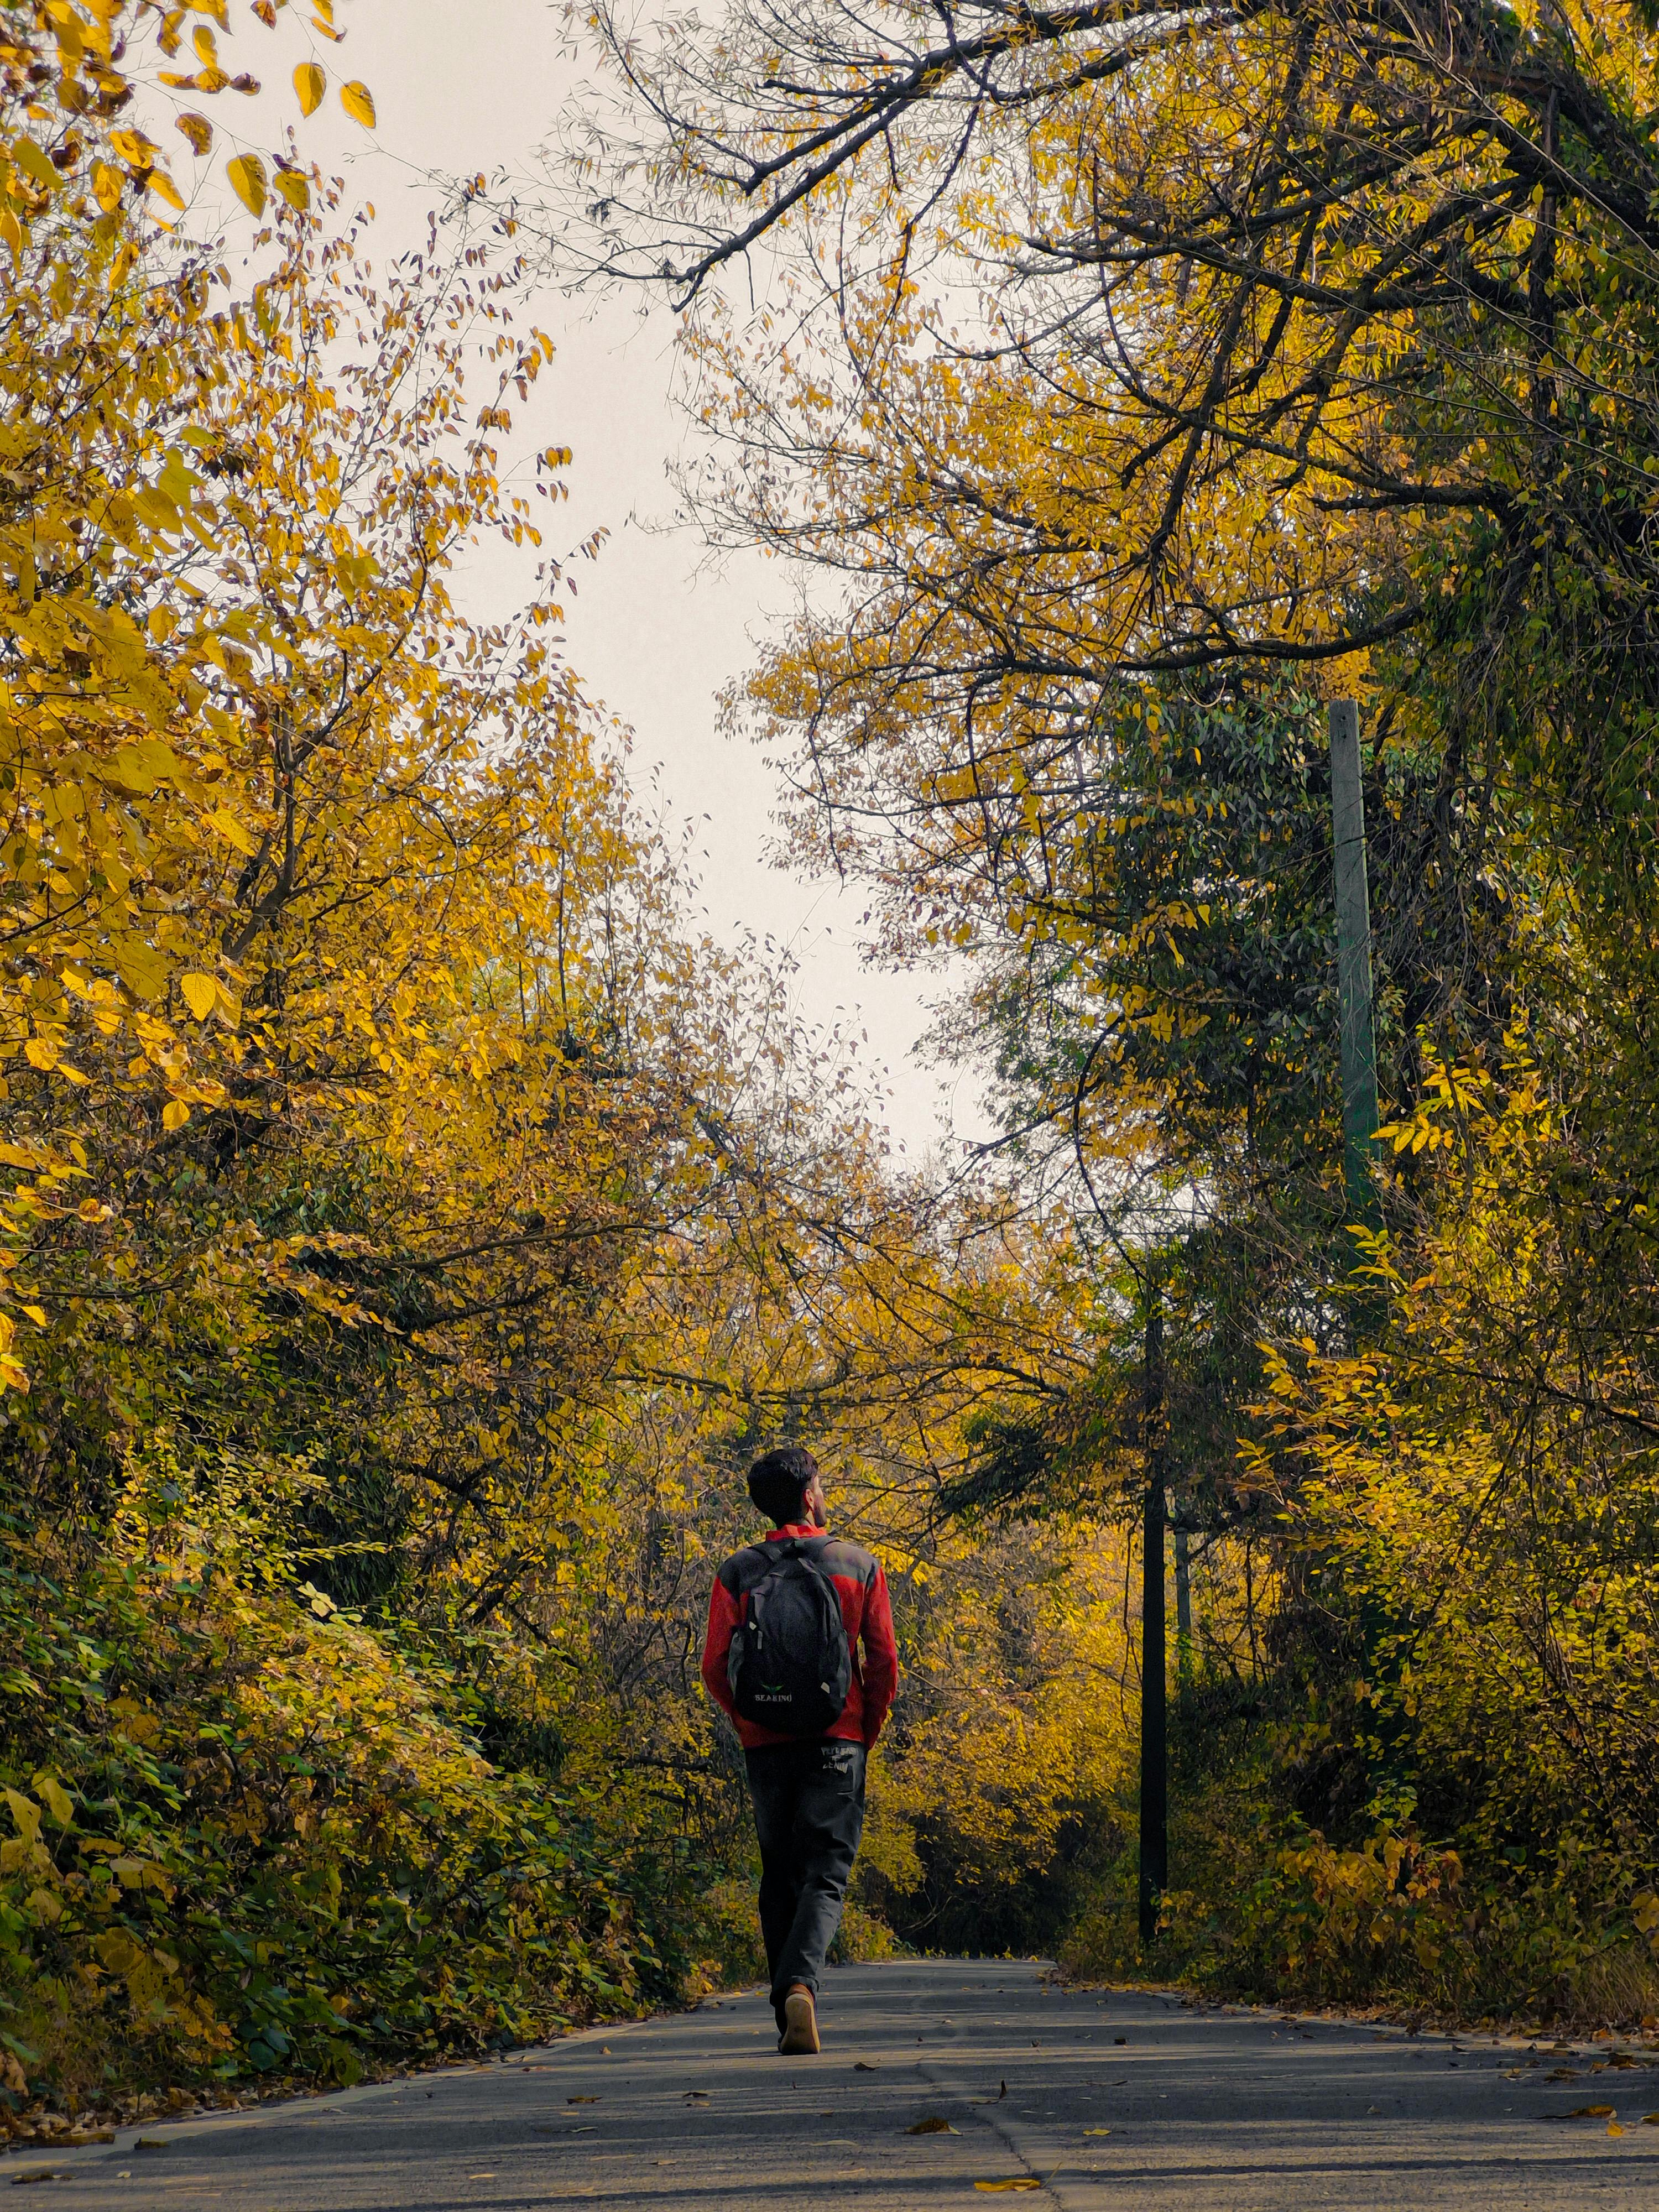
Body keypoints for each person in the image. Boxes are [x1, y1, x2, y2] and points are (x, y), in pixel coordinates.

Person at [700, 1444, 898, 2056]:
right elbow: (884, 1661)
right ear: (810, 1493)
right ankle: (800, 1989)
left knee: (779, 1873)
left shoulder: (738, 1570)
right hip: (838, 1739)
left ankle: (788, 2004)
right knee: (827, 1872)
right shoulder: (856, 1564)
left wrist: (747, 1722)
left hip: (766, 1743)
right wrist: (863, 1730)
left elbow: (713, 1666)